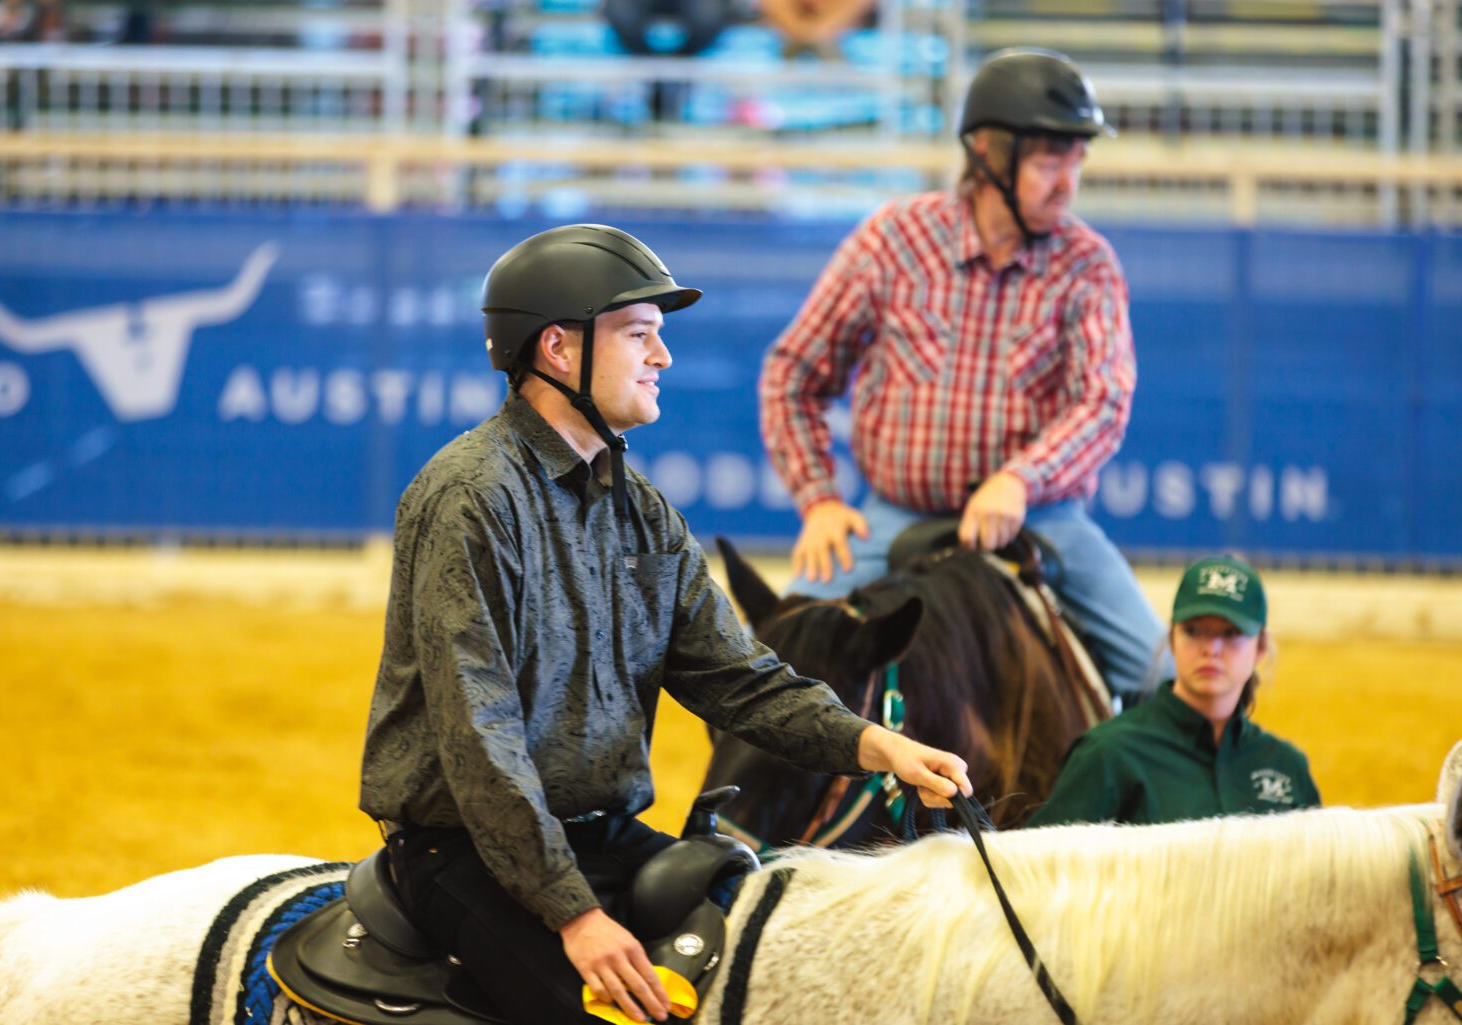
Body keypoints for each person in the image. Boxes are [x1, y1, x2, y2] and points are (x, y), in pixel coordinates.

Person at [358, 224, 975, 1025]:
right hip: (467, 853)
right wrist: (574, 914)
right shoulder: (469, 496)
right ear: (557, 347)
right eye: (640, 334)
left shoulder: (640, 509)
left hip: (607, 833)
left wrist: (875, 744)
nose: (663, 357)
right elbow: (482, 739)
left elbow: (740, 680)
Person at [759, 47, 1167, 700]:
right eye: (1048, 159)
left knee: (1166, 681)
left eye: (1077, 158)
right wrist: (820, 500)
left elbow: (1104, 399)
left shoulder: (1087, 264)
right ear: (987, 153)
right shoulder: (893, 240)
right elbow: (794, 372)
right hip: (895, 517)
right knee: (769, 664)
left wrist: (1018, 479)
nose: (1068, 179)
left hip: (1042, 520)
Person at [1026, 554, 1320, 827]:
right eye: (1193, 631)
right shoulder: (1109, 754)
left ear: (1260, 648)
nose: (1211, 649)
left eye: (1231, 633)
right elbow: (1038, 870)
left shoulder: (1287, 768)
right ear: (1172, 638)